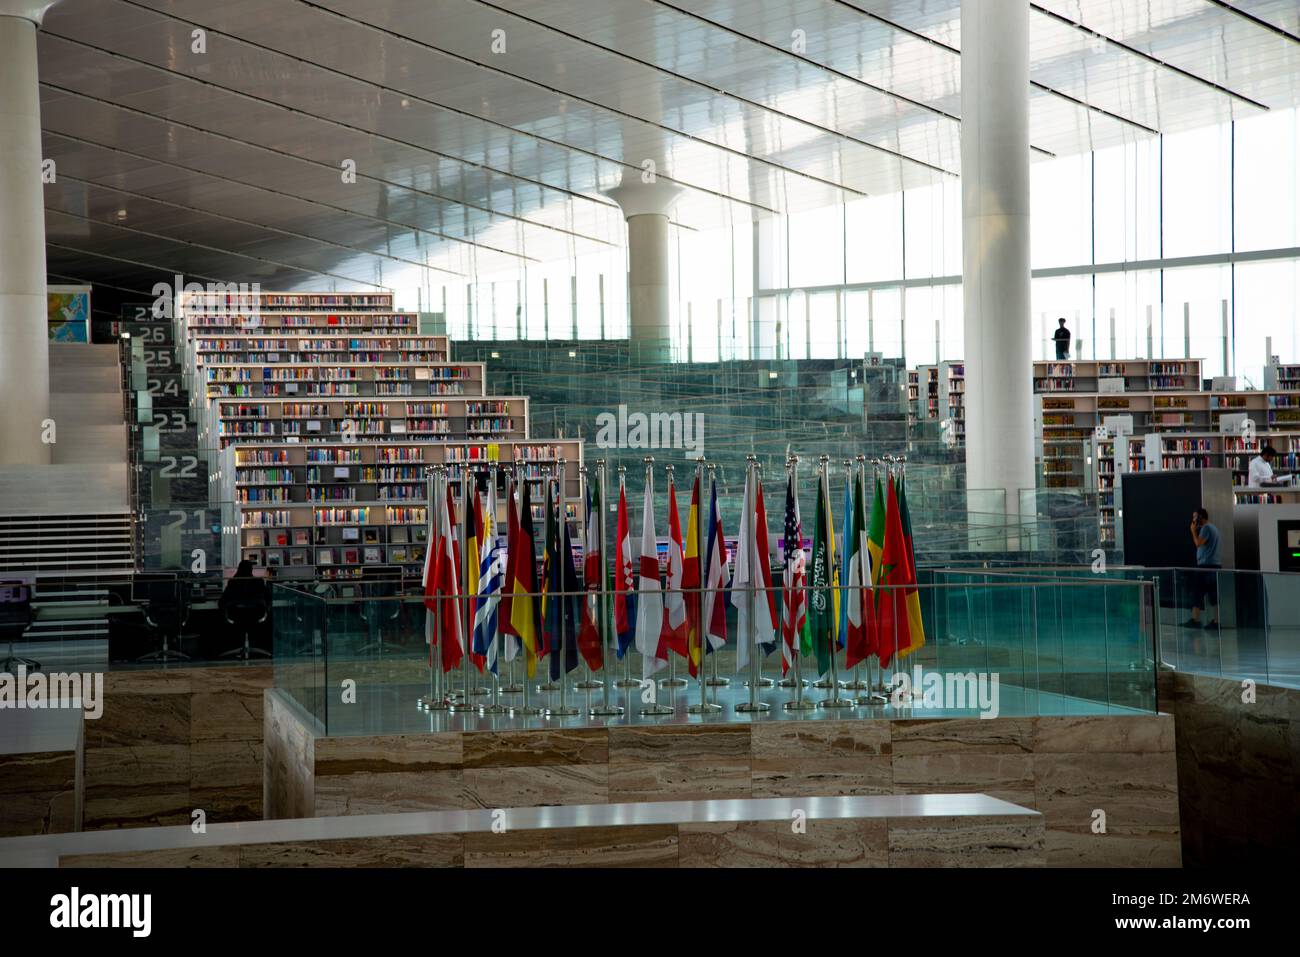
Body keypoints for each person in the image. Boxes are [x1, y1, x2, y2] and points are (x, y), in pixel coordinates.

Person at [1183, 508, 1220, 630]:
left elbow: (1198, 543)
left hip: (1206, 566)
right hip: (1212, 565)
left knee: (1197, 592)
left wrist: (1193, 531)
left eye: (1195, 517)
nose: (1193, 520)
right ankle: (1215, 621)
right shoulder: (1213, 528)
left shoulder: (1206, 528)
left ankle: (1195, 619)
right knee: (1213, 594)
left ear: (1200, 517)